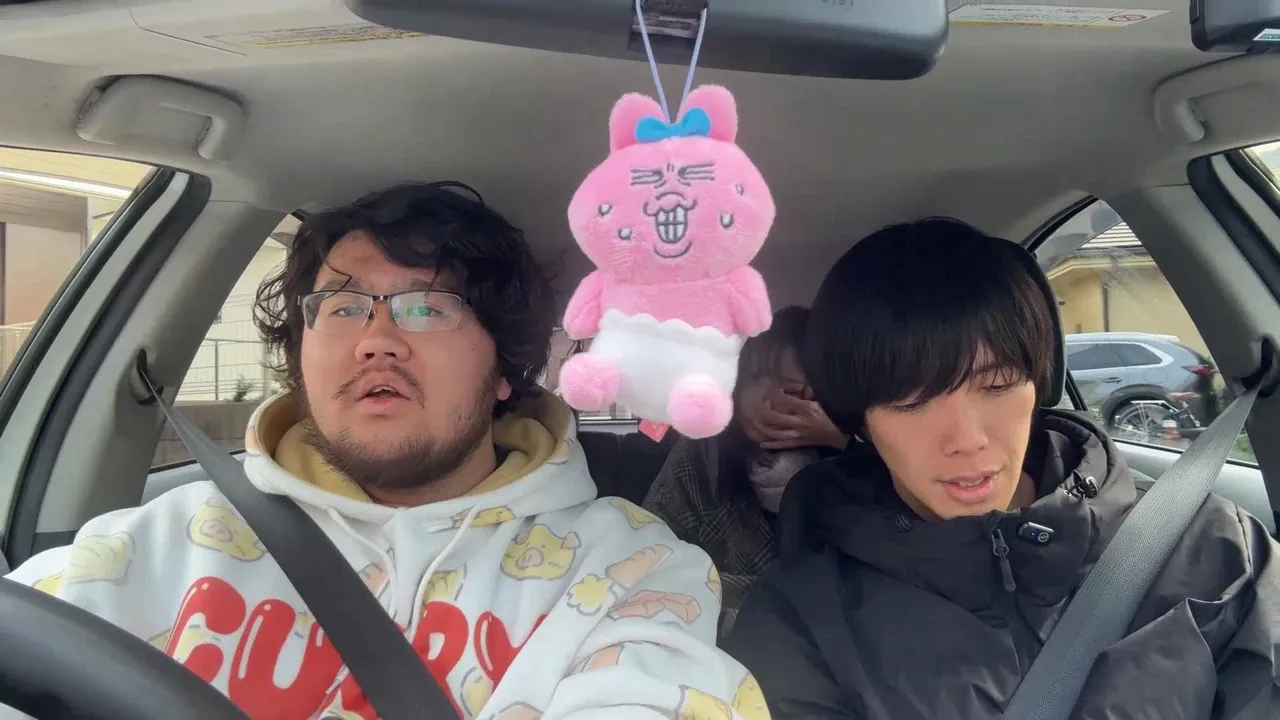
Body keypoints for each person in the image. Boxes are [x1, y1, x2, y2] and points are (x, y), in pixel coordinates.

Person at [4, 182, 769, 720]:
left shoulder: (628, 571)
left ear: (505, 369)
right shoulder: (157, 547)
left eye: (427, 307)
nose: (377, 339)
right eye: (341, 306)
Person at [724, 218, 1280, 719]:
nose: (967, 440)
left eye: (996, 385)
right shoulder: (799, 624)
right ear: (860, 421)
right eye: (911, 403)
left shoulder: (1217, 550)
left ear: (1039, 383)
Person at [644, 306, 846, 634]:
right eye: (752, 378)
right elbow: (650, 548)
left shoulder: (852, 464)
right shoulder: (703, 450)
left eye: (789, 389)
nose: (760, 401)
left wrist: (843, 441)